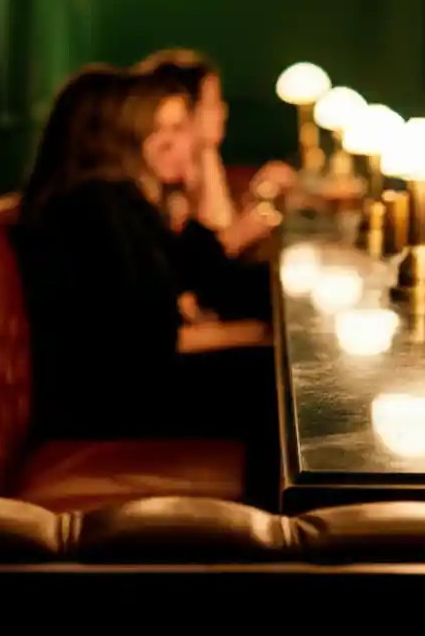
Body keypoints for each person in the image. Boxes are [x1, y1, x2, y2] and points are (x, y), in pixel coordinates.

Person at [14, 64, 279, 448]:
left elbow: (199, 276)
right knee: (282, 384)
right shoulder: (95, 205)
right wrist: (259, 334)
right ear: (113, 133)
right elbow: (149, 342)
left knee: (286, 376)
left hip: (124, 386)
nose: (174, 141)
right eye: (155, 128)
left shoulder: (115, 200)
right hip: (105, 405)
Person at [135, 49, 297, 240]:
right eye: (212, 102)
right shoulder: (159, 189)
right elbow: (212, 250)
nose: (223, 111)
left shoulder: (195, 175)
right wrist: (253, 222)